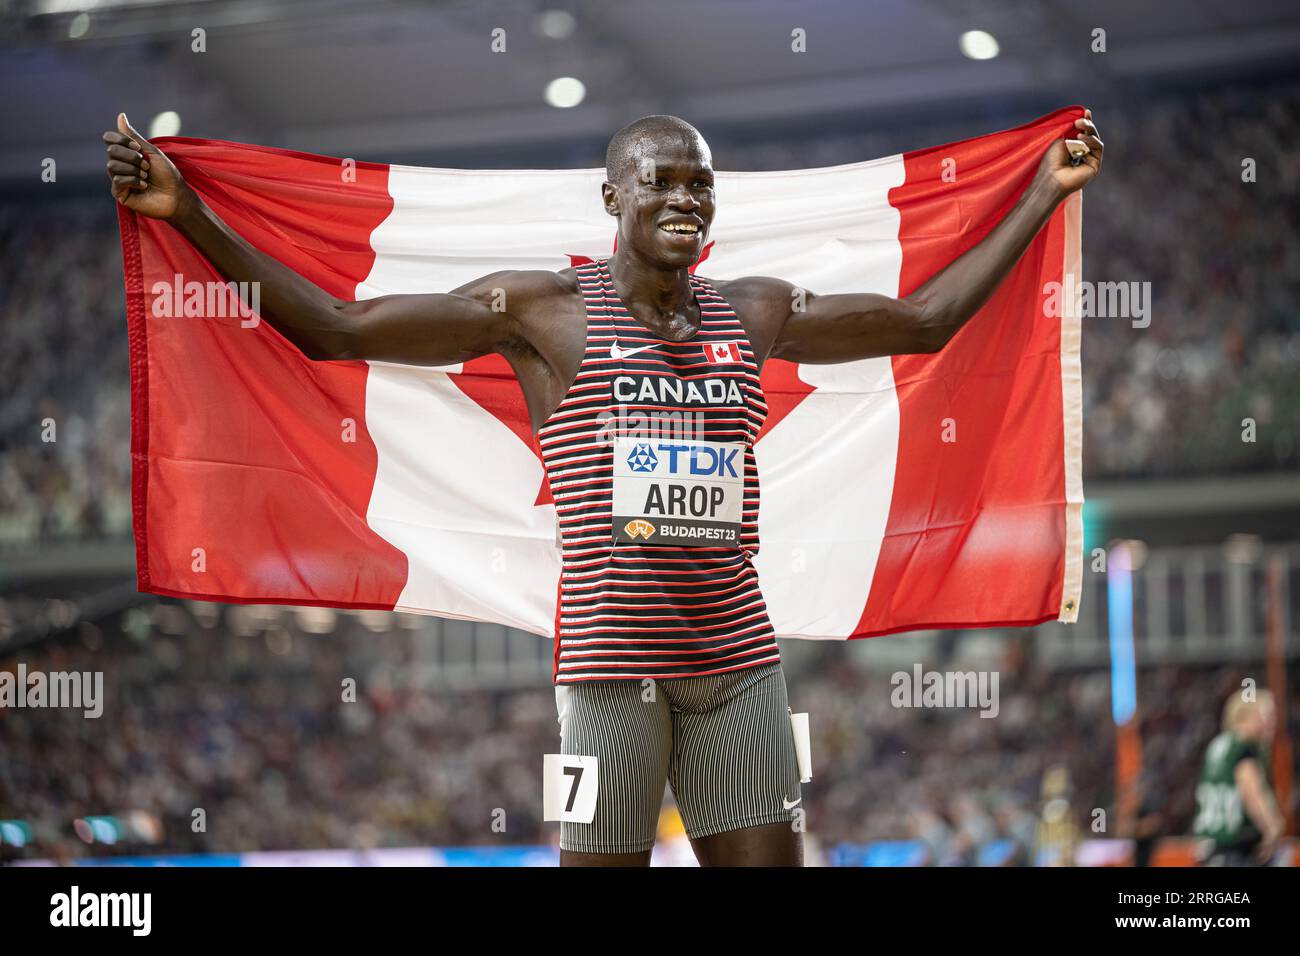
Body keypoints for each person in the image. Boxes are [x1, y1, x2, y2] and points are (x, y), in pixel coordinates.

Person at [102, 109, 1103, 867]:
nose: (683, 202)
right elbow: (337, 329)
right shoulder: (539, 309)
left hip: (740, 667)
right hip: (607, 679)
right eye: (659, 184)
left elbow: (924, 320)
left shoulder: (751, 309)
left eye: (699, 187)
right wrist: (185, 211)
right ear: (611, 197)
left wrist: (1043, 193)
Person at [1194, 689, 1285, 866]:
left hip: (1213, 844)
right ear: (1249, 715)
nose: (1272, 721)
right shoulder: (1245, 747)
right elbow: (1250, 787)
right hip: (1240, 847)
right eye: (1267, 714)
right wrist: (1272, 826)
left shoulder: (1218, 744)